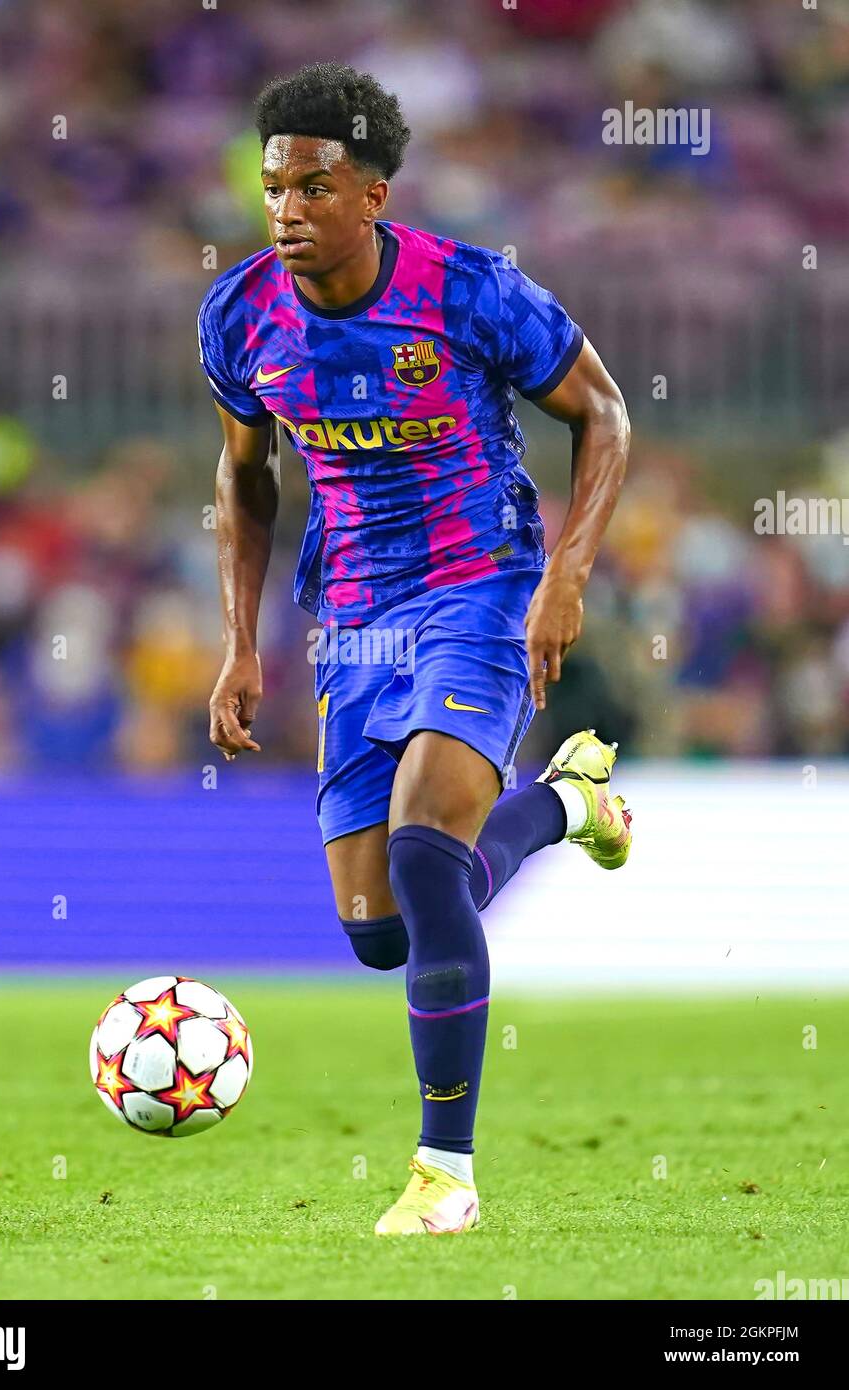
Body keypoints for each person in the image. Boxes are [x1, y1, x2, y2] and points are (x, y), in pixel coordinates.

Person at [200, 62, 632, 1236]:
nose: (286, 208)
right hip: (351, 611)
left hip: (480, 585)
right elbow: (245, 480)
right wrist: (240, 646)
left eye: (313, 185)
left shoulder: (471, 292)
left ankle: (446, 1173)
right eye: (273, 185)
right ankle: (565, 805)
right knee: (380, 929)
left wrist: (565, 575)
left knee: (430, 852)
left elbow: (604, 412)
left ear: (373, 193)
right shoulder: (241, 316)